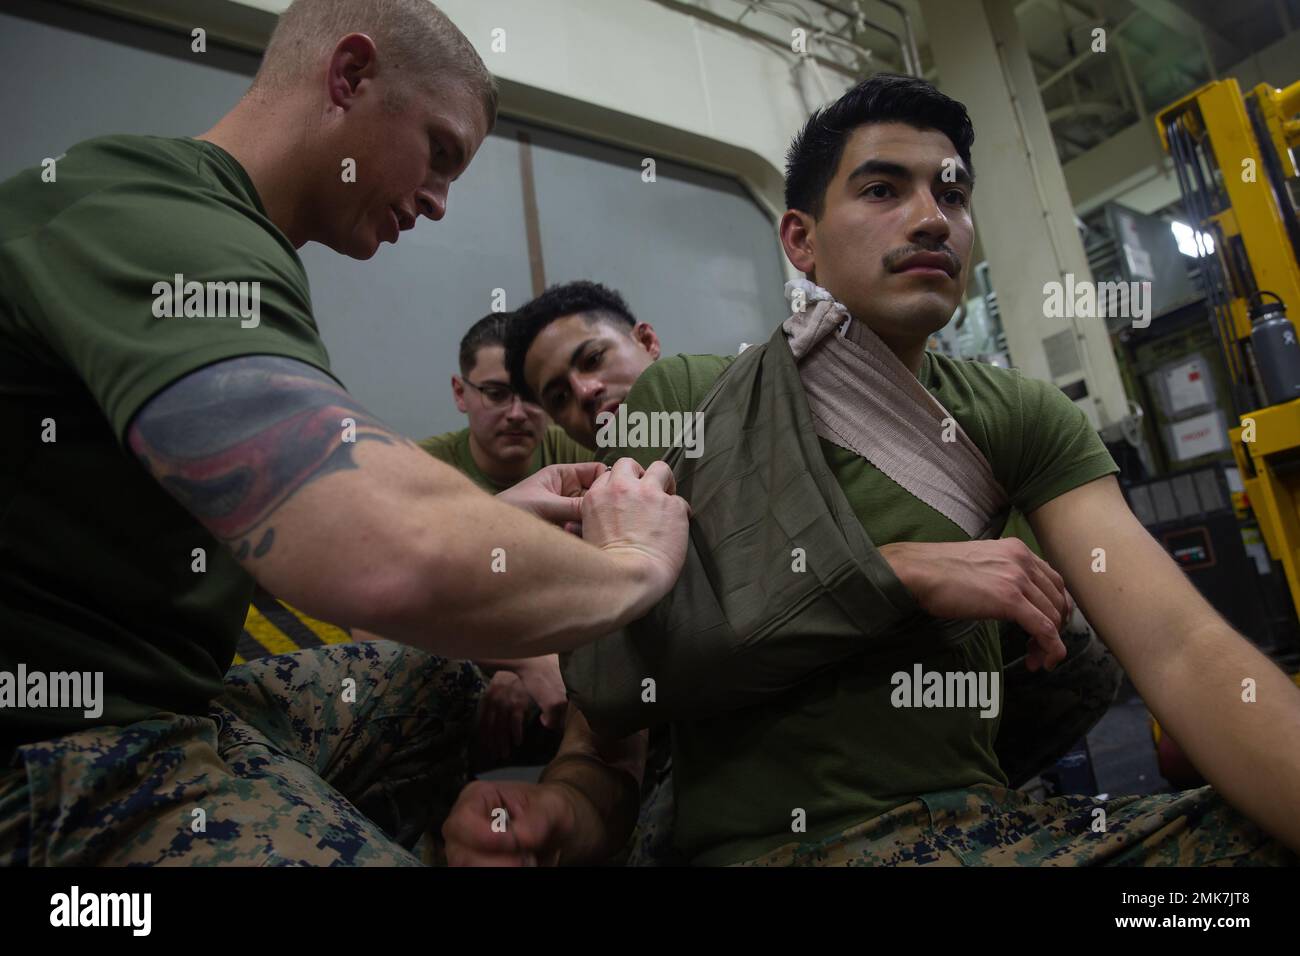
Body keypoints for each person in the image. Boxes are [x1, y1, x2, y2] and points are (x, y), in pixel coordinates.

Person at [445, 74, 1300, 867]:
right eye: (883, 190)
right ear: (800, 239)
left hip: (983, 835)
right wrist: (560, 812)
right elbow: (613, 710)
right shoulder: (690, 402)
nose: (932, 218)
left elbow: (1182, 648)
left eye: (953, 193)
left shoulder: (1028, 419)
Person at [0, 0, 687, 866]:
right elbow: (378, 545)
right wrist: (631, 569)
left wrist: (499, 530)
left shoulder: (225, 237)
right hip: (62, 758)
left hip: (177, 698)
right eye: (439, 153)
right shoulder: (157, 219)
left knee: (450, 680)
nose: (438, 203)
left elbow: (272, 512)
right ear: (348, 75)